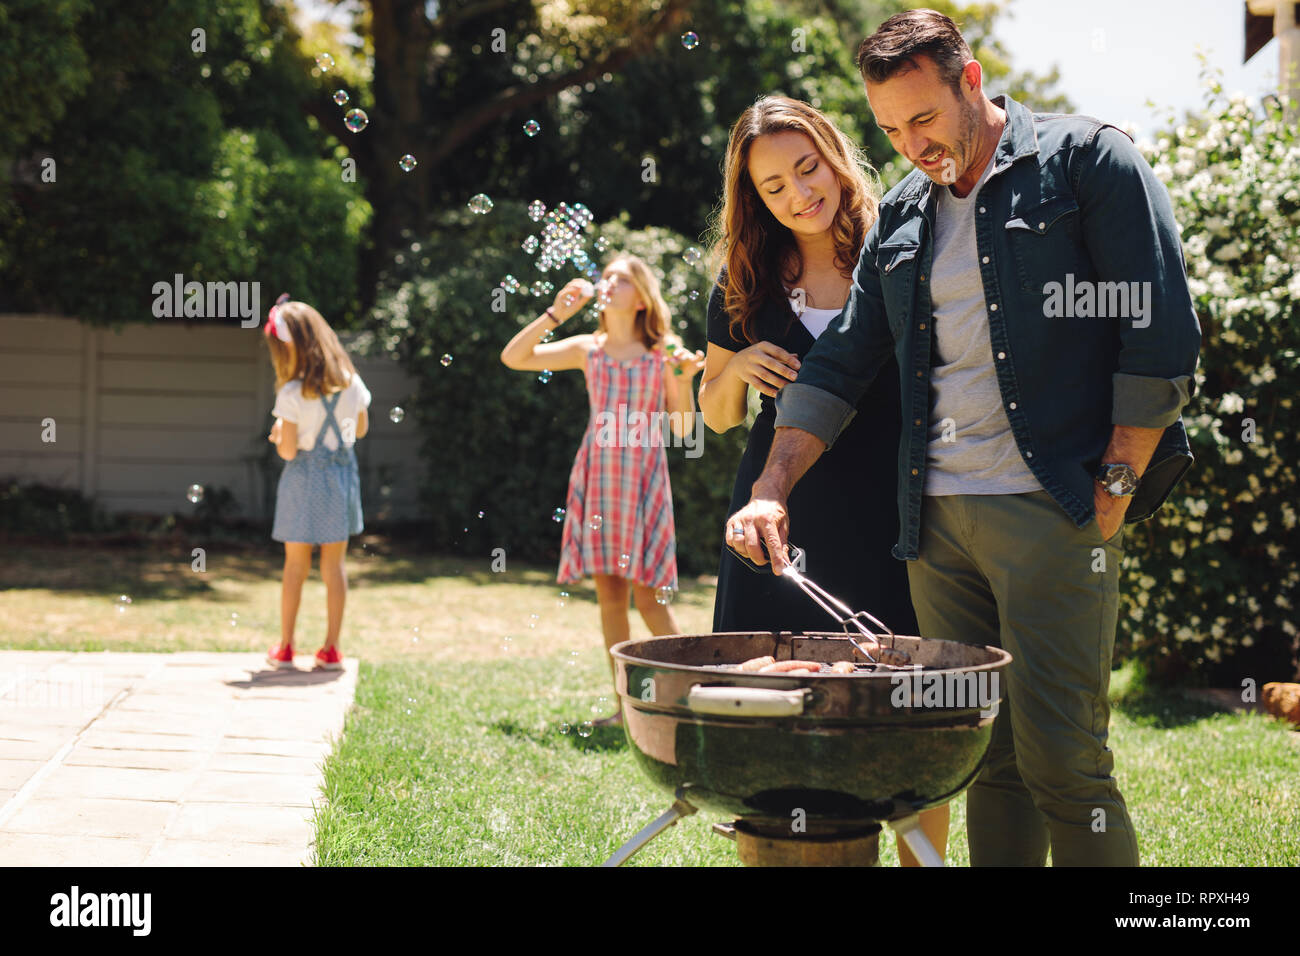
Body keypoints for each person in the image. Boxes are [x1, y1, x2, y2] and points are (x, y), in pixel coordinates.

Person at [727, 9, 1199, 866]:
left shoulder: (1087, 161)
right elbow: (837, 369)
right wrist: (770, 486)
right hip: (935, 531)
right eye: (890, 129)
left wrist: (1117, 485)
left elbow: (1159, 334)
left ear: (970, 81)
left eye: (923, 119)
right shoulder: (903, 217)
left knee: (1066, 764)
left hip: (1053, 510)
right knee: (984, 758)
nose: (911, 144)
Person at [697, 95, 946, 866]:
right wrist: (735, 367)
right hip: (781, 524)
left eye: (807, 168)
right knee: (771, 717)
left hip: (894, 515)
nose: (800, 194)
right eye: (774, 186)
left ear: (835, 154)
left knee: (906, 721)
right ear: (755, 200)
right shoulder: (746, 282)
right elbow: (714, 416)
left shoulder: (904, 245)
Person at [501, 255, 705, 726]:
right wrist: (557, 313)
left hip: (643, 483)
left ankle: (689, 697)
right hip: (600, 480)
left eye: (622, 278)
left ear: (641, 299)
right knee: (611, 599)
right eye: (606, 276)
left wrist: (684, 380)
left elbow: (683, 428)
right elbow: (513, 357)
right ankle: (625, 708)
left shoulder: (665, 351)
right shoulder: (586, 348)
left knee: (651, 599)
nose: (609, 283)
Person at [263, 295, 371, 672]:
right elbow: (358, 429)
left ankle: (287, 646)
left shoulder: (291, 393)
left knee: (295, 566)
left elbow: (290, 451)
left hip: (304, 480)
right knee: (334, 567)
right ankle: (330, 647)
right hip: (340, 477)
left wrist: (279, 435)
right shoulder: (351, 383)